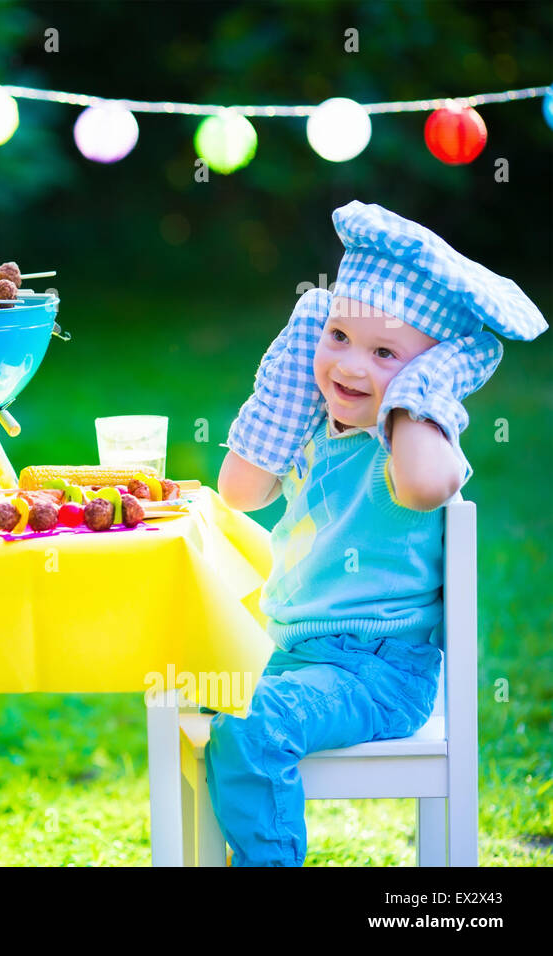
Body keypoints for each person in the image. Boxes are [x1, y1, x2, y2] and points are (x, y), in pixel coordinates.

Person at [209, 200, 546, 867]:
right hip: (293, 652)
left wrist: (421, 392)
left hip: (378, 673)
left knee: (250, 726)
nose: (352, 368)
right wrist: (290, 373)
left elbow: (424, 487)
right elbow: (240, 491)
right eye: (337, 336)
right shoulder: (312, 422)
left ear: (428, 373)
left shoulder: (416, 443)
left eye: (385, 352)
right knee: (179, 682)